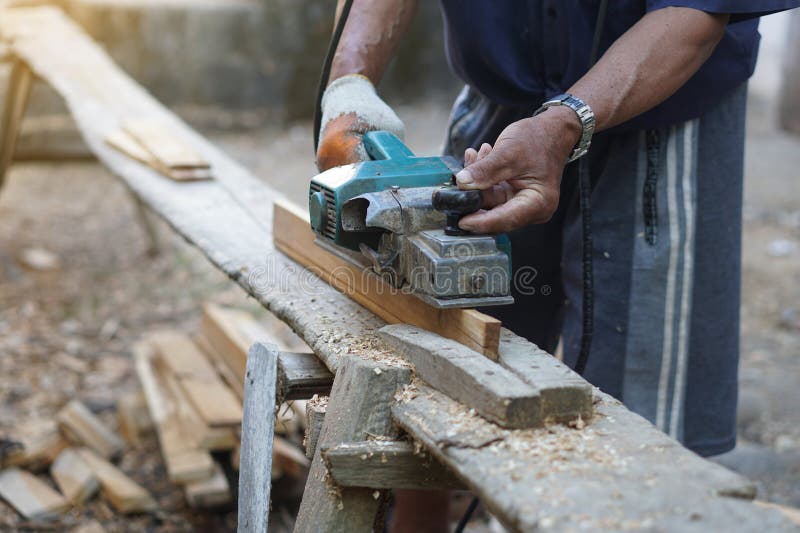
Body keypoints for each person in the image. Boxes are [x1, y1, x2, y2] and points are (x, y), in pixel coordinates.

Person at [315, 1, 800, 531]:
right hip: (501, 104)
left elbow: (700, 6)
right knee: (441, 365)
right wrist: (349, 84)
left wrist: (565, 124)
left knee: (638, 433)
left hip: (668, 102)